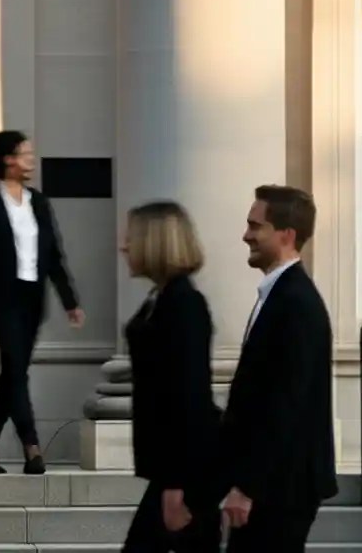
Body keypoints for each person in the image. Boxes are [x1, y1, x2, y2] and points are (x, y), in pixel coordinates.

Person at [220, 185, 337, 551]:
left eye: (256, 226)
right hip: (273, 484)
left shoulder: (296, 302)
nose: (246, 235)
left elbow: (284, 404)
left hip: (281, 488)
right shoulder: (279, 295)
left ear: (286, 234)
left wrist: (248, 487)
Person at [0, 130, 83, 475]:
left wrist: (70, 301)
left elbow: (53, 254)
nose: (31, 159)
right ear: (8, 160)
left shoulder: (38, 202)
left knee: (13, 373)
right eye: (25, 153)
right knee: (16, 369)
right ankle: (32, 447)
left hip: (31, 297)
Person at [119, 202, 221, 552]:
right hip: (175, 468)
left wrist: (176, 483)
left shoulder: (184, 304)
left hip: (186, 469)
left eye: (132, 237)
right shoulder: (162, 299)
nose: (124, 246)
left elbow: (188, 394)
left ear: (156, 243)